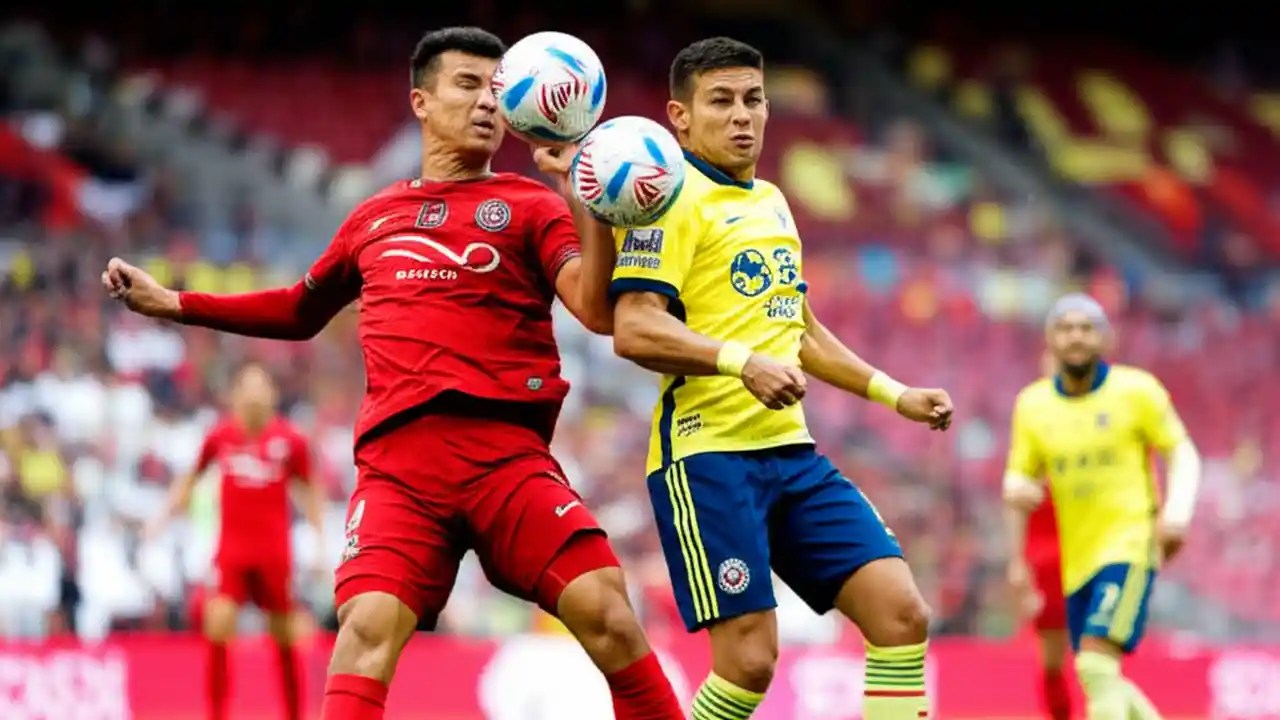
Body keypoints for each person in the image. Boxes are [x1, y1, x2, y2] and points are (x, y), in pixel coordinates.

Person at [103, 26, 683, 720]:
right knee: (365, 631)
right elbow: (298, 309)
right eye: (467, 86)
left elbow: (594, 308)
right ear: (420, 101)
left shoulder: (533, 207)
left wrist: (580, 191)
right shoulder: (374, 218)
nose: (486, 105)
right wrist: (175, 302)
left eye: (496, 91)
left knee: (609, 616)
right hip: (401, 469)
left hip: (508, 457)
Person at [607, 37, 954, 720]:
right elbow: (634, 327)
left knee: (900, 614)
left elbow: (799, 330)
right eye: (721, 101)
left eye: (753, 100)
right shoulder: (669, 200)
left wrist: (896, 394)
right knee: (749, 663)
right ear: (679, 117)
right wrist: (742, 362)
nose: (742, 116)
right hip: (708, 460)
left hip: (792, 458)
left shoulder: (770, 201)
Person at [1004, 294, 1202, 720]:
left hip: (1130, 545)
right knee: (1097, 671)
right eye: (1066, 328)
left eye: (1086, 328)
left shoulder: (1137, 391)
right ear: (1050, 340)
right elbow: (1017, 477)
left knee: (1095, 663)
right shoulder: (1033, 406)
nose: (1076, 337)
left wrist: (1177, 514)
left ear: (1106, 338)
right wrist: (1016, 504)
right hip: (1075, 564)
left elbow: (1182, 450)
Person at [147, 363, 322, 720]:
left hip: (275, 553)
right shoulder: (220, 437)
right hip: (233, 552)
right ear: (236, 396)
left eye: (262, 387)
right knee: (219, 623)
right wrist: (161, 517)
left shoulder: (291, 441)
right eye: (249, 388)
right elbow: (190, 478)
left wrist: (320, 541)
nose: (256, 395)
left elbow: (310, 491)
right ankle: (217, 713)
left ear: (272, 395)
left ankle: (295, 713)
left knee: (285, 636)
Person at [1007, 352, 1071, 720]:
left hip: (1092, 549)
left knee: (1097, 655)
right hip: (1046, 555)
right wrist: (1017, 561)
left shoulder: (1099, 421)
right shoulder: (1032, 424)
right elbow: (1014, 496)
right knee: (1052, 658)